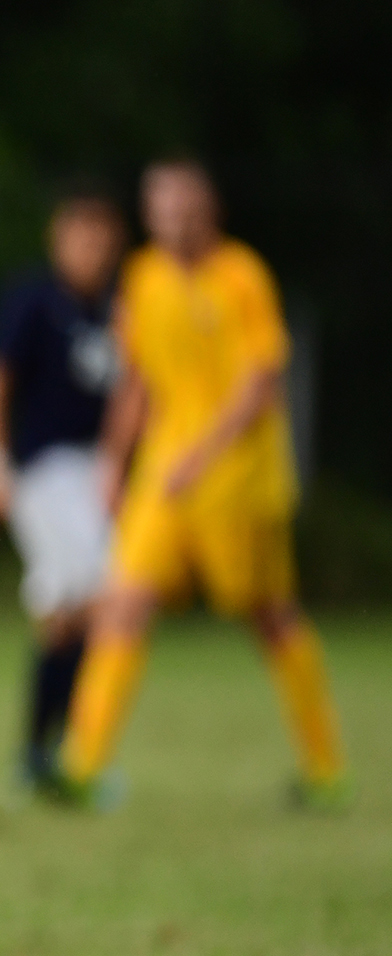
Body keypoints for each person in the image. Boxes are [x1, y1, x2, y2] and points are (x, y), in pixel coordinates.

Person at [57, 159, 348, 809]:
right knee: (123, 602)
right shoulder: (143, 279)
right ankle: (82, 764)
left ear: (211, 209)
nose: (175, 221)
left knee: (269, 616)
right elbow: (137, 381)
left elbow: (260, 381)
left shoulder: (242, 277)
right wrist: (113, 460)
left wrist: (203, 453)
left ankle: (326, 768)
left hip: (240, 479)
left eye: (186, 208)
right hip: (165, 476)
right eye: (162, 210)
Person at [0, 186, 124, 788]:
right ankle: (54, 755)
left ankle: (47, 755)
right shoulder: (32, 301)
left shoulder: (120, 304)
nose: (94, 248)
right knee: (95, 595)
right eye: (83, 234)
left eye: (104, 235)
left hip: (104, 473)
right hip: (47, 472)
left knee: (68, 613)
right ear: (59, 237)